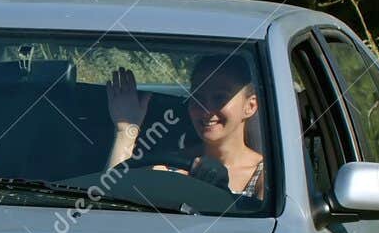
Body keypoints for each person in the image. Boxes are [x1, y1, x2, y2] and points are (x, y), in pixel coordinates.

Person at [105, 53, 266, 197]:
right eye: (197, 97)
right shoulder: (169, 165)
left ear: (250, 106)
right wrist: (126, 130)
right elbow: (112, 200)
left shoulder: (264, 176)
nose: (205, 109)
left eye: (219, 98)